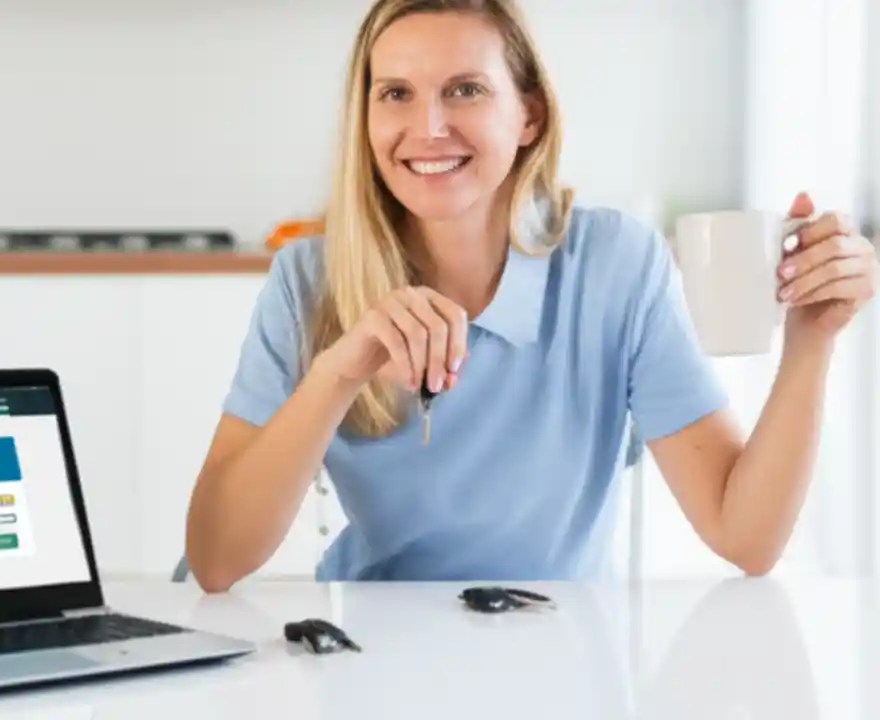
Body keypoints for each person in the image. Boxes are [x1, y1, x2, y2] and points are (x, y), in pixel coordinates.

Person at [185, 0, 878, 591]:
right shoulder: (309, 278)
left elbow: (745, 536)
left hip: (561, 644)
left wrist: (811, 342)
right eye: (395, 93)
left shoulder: (617, 265)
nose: (428, 127)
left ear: (530, 117)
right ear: (364, 119)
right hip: (367, 644)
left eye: (465, 90)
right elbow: (216, 562)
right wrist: (338, 371)